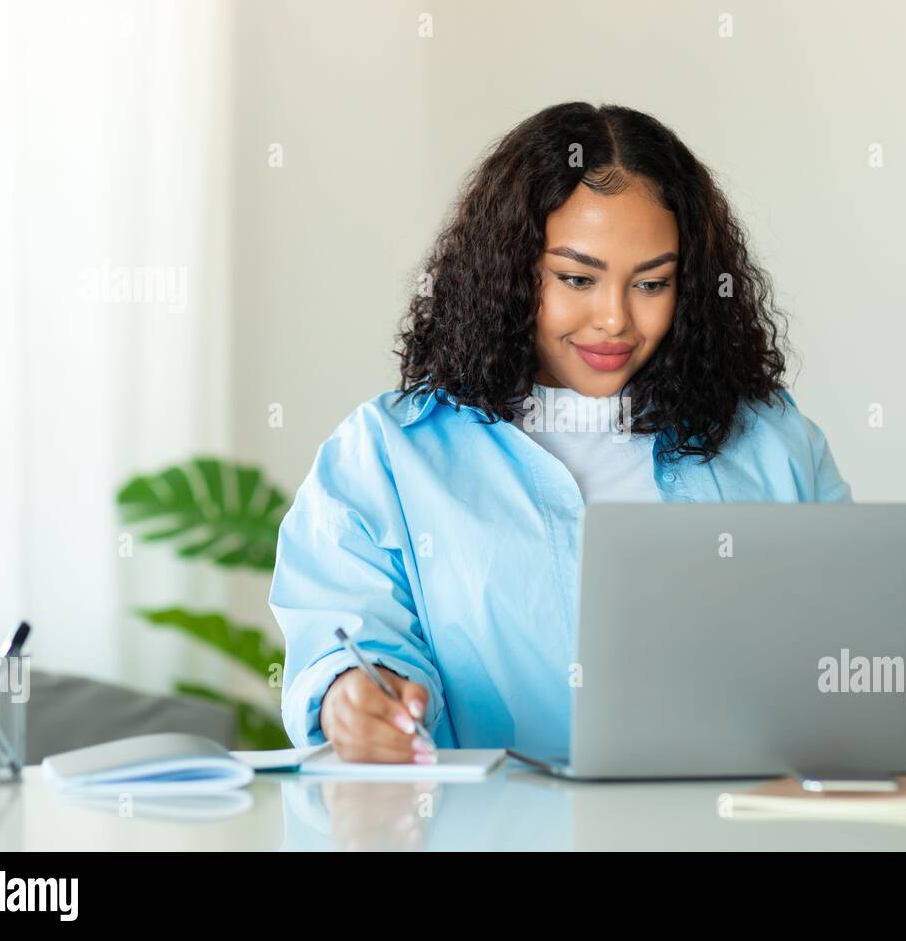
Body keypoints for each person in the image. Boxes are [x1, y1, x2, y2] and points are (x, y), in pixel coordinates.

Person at [269, 102, 852, 764]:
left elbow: (840, 647)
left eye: (653, 282)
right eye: (577, 278)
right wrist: (355, 695)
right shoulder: (387, 454)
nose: (615, 319)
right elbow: (350, 640)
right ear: (510, 272)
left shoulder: (775, 444)